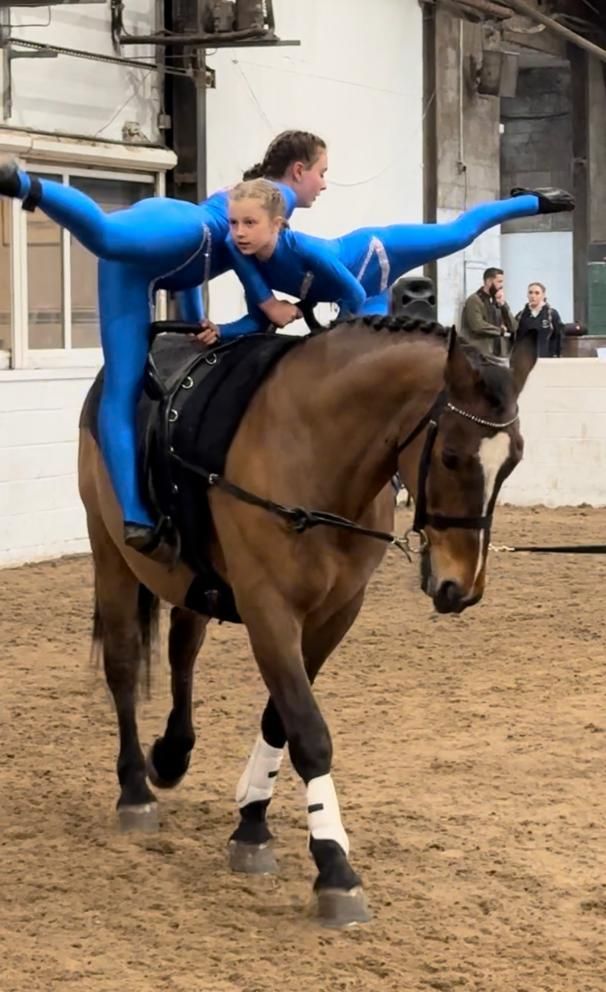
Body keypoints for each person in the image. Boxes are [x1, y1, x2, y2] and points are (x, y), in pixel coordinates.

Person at [0, 131, 328, 560]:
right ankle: (21, 183)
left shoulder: (263, 202)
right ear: (298, 171)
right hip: (190, 233)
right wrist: (270, 303)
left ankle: (136, 518)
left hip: (153, 271)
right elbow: (234, 254)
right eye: (322, 173)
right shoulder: (275, 199)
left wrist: (203, 325)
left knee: (123, 389)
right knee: (107, 237)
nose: (324, 184)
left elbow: (221, 280)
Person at [197, 180, 574, 341]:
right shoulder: (245, 257)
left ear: (278, 224)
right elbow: (259, 319)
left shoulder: (302, 249)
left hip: (380, 252)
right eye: (234, 223)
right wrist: (219, 331)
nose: (239, 233)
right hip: (371, 294)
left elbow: (351, 291)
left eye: (250, 223)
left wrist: (329, 328)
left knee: (459, 234)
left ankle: (530, 201)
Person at [461, 267, 517, 359]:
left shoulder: (498, 300)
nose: (501, 285)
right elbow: (477, 325)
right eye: (499, 281)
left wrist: (503, 306)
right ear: (488, 282)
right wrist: (500, 331)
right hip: (480, 354)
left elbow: (513, 327)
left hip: (500, 354)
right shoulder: (474, 300)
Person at [516, 282, 564, 358]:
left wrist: (556, 355)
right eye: (530, 292)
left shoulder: (551, 314)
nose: (533, 296)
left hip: (546, 358)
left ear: (543, 295)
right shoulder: (521, 315)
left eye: (537, 293)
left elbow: (558, 337)